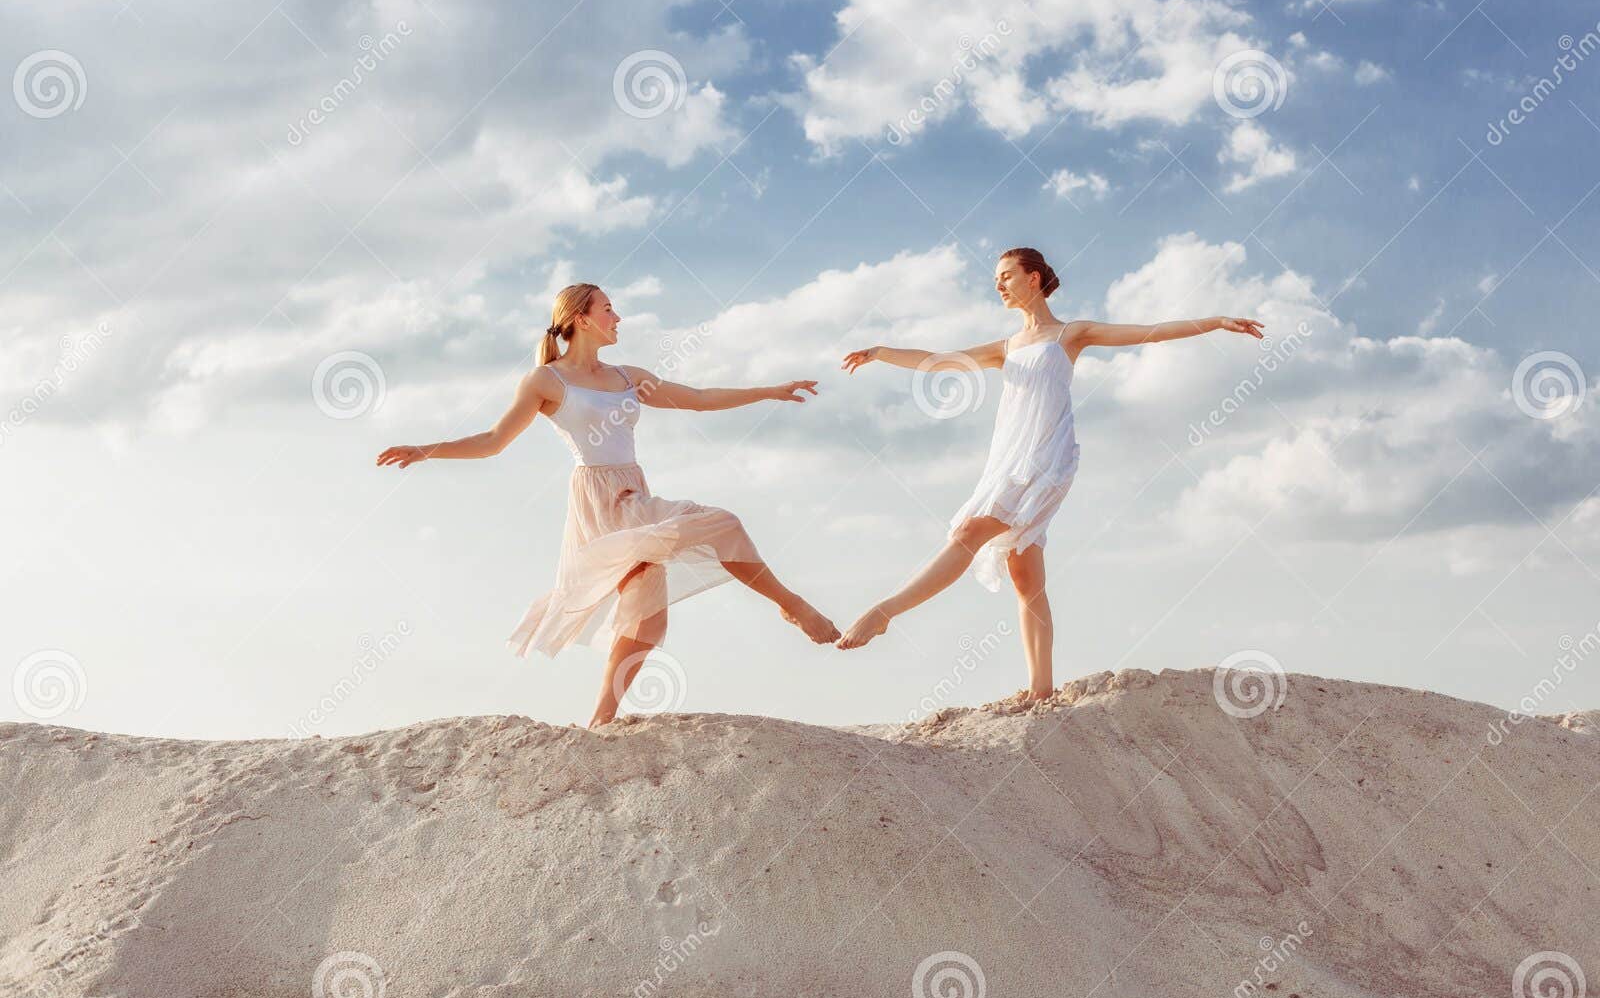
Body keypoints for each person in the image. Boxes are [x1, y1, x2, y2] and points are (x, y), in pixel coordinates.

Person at [377, 282, 839, 727]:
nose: (617, 318)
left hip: (635, 494)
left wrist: (767, 391)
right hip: (599, 503)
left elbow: (697, 399)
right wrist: (426, 449)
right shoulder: (546, 380)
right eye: (608, 309)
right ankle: (792, 604)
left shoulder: (628, 377)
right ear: (582, 318)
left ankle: (601, 718)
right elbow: (494, 441)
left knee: (651, 620)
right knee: (717, 529)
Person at [835, 246, 1264, 703]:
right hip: (1007, 461)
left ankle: (884, 612)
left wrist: (1215, 321)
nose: (998, 285)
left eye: (1006, 276)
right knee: (1025, 578)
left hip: (1044, 461)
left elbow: (1149, 333)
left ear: (1034, 278)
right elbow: (939, 360)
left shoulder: (1070, 334)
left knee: (967, 532)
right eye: (996, 278)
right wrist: (881, 352)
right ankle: (1042, 690)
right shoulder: (1006, 347)